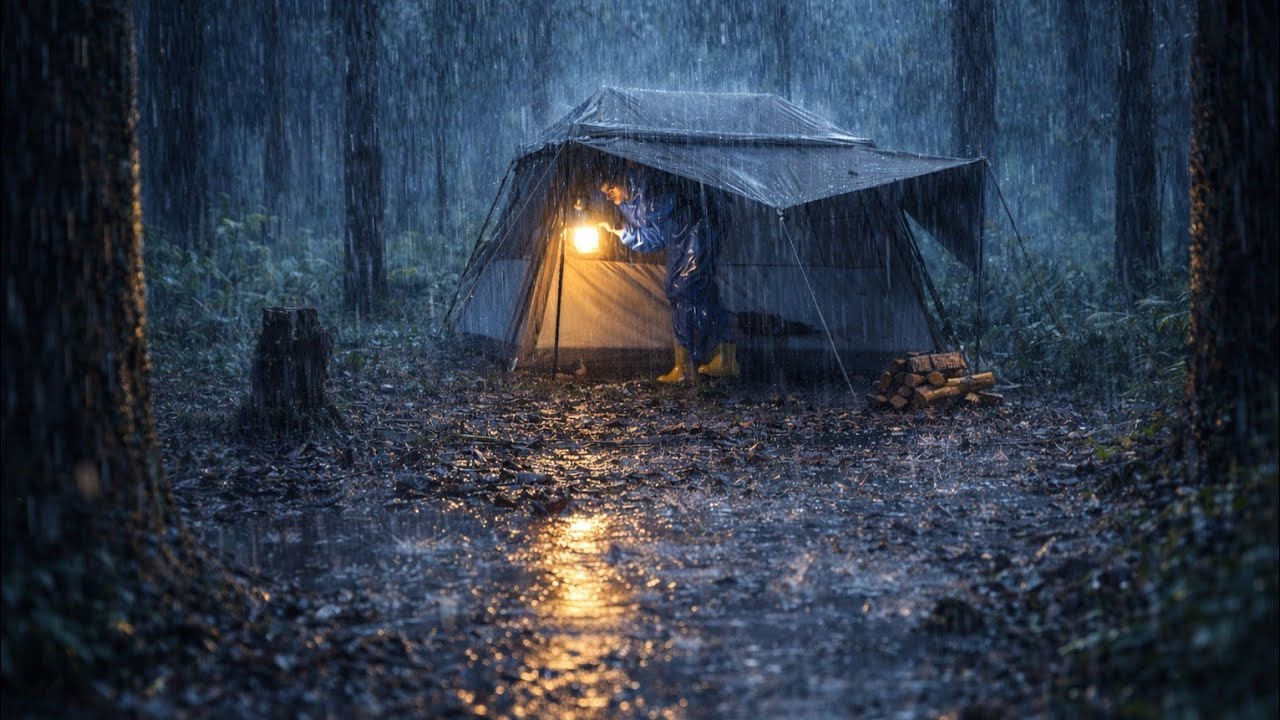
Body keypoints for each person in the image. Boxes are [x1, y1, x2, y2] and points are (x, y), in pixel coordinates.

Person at [598, 171, 738, 382]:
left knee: (689, 285)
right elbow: (654, 237)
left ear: (624, 180)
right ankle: (686, 363)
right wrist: (622, 231)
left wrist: (630, 213)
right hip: (679, 238)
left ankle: (721, 355)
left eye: (611, 189)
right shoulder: (633, 204)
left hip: (700, 226)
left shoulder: (647, 190)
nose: (610, 196)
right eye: (606, 193)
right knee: (677, 289)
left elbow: (654, 212)